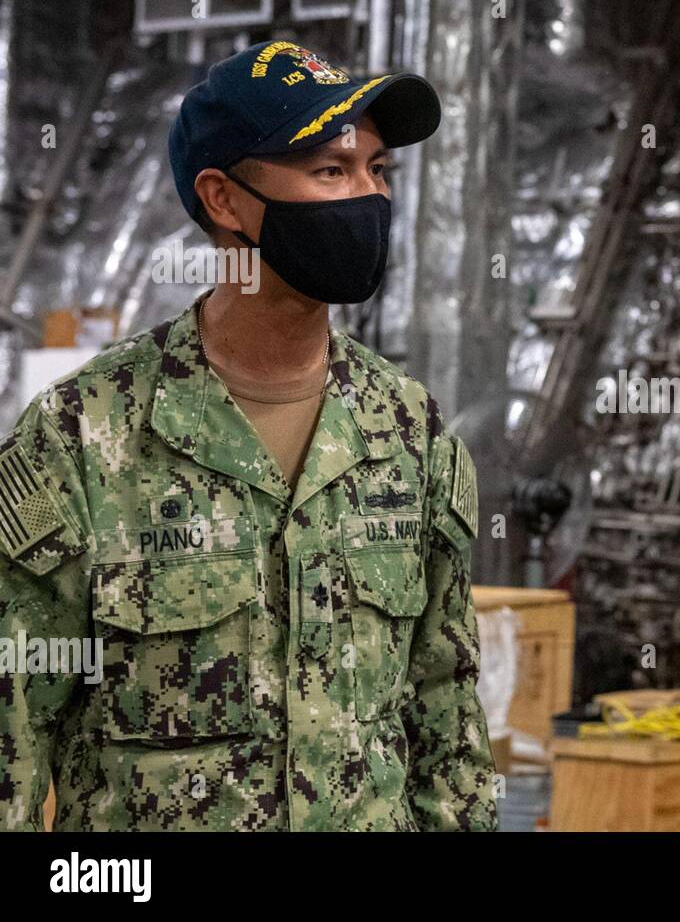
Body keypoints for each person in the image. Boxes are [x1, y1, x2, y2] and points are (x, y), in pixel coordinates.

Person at [0, 41, 497, 830]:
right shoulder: (83, 437)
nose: (367, 197)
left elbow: (448, 720)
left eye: (378, 171)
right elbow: (12, 736)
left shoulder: (412, 431)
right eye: (331, 171)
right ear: (225, 200)